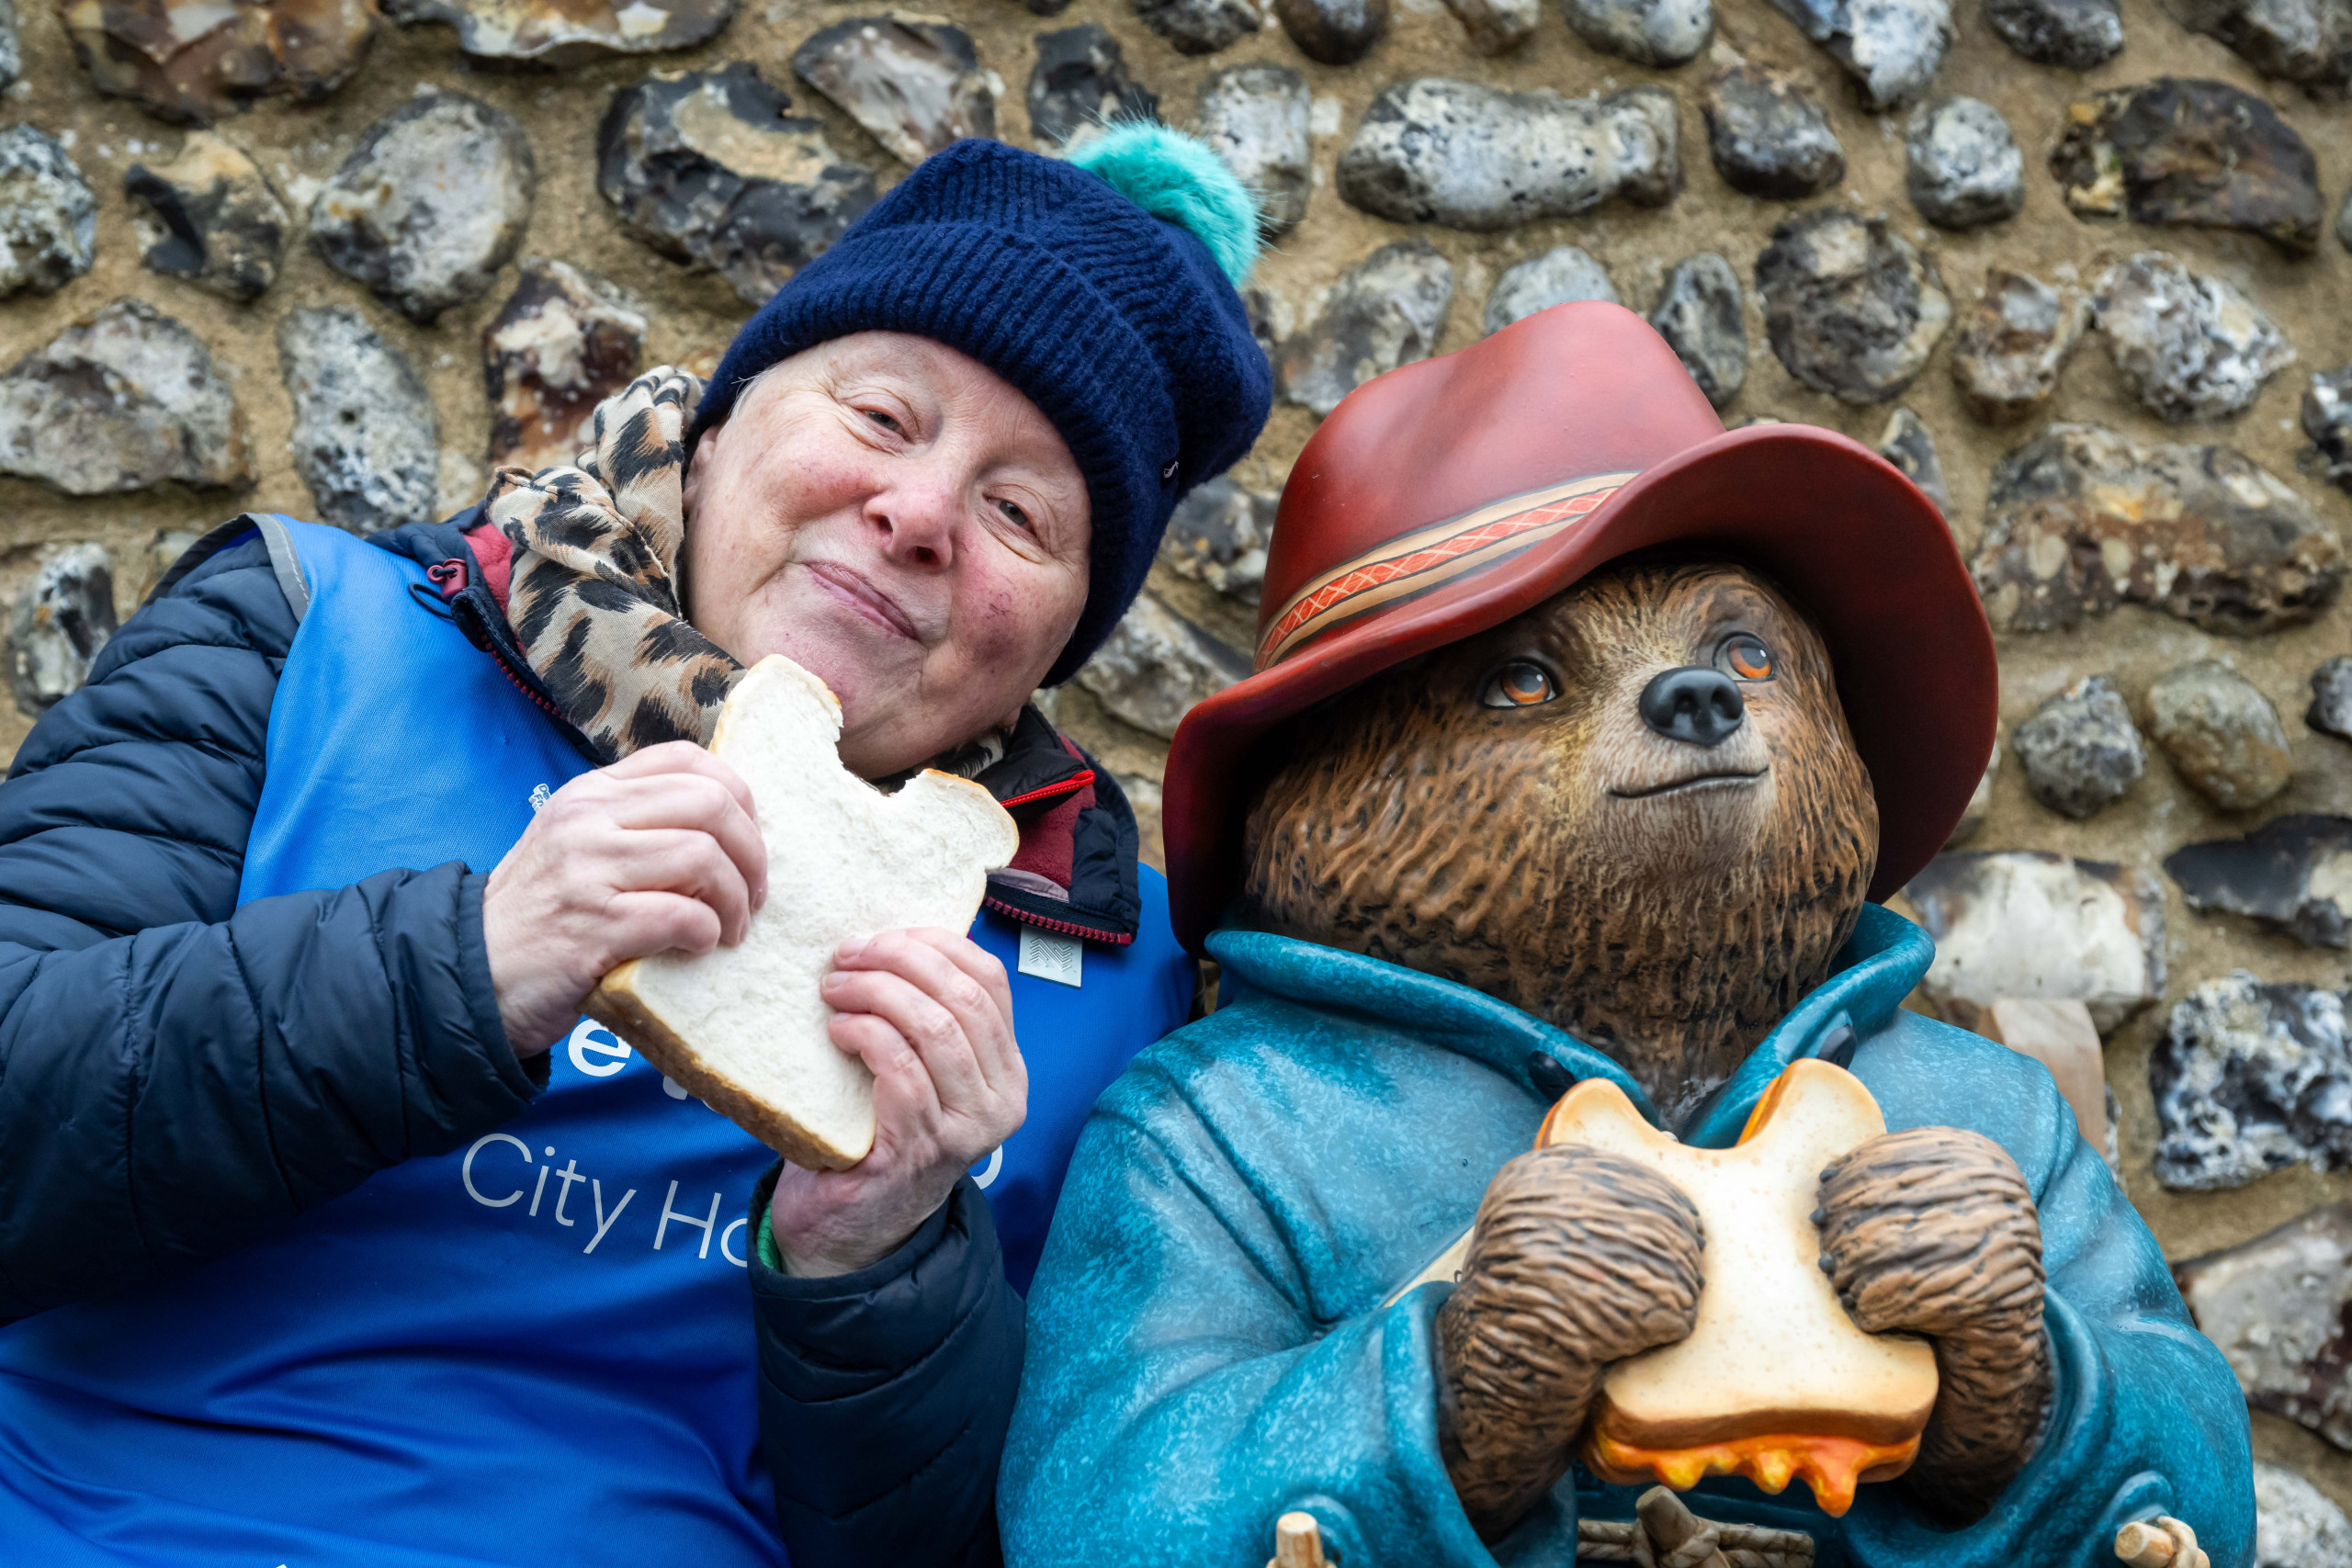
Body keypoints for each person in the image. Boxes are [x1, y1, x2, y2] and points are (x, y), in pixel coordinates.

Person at [0, 128, 1270, 1568]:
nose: (918, 516)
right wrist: (459, 971)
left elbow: (1011, 1539)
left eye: (1022, 513)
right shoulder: (308, 634)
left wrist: (888, 1262)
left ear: (1060, 632)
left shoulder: (1124, 982)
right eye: (880, 417)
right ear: (720, 425)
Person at [999, 304, 2253, 1568]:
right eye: (1528, 683)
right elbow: (1092, 1508)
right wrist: (1439, 1394)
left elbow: (2205, 1473)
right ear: (1341, 780)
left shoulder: (1982, 1110)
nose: (1693, 698)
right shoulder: (1233, 1129)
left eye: (1744, 653)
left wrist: (2034, 1393)